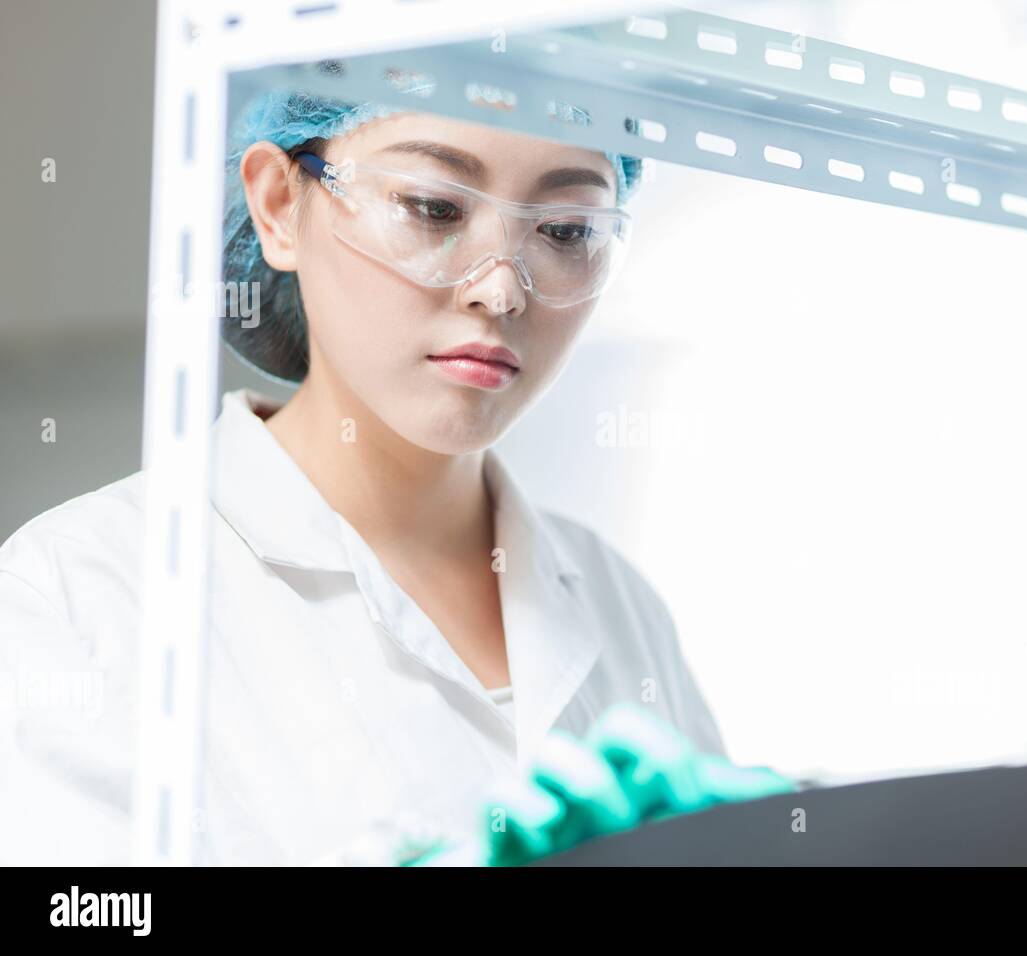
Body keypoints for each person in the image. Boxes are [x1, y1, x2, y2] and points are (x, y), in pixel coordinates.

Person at [0, 88, 732, 865]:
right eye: (433, 208)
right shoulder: (71, 598)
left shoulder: (624, 608)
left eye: (566, 230)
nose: (501, 289)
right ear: (281, 205)